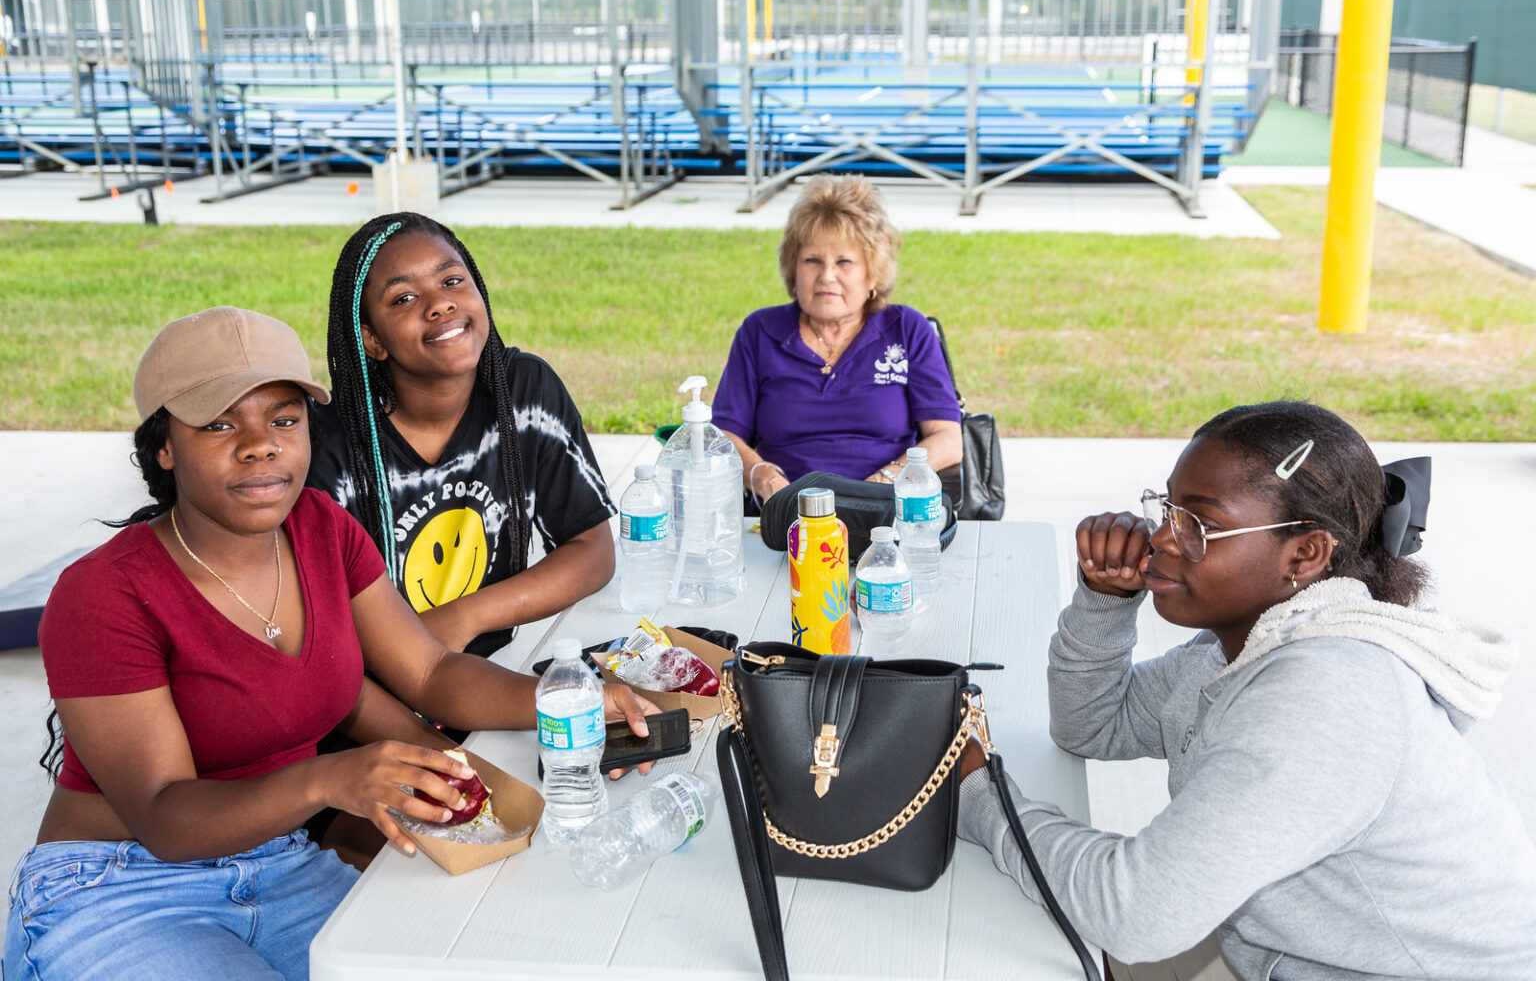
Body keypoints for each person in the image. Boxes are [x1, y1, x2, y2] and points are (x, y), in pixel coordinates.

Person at [3, 307, 655, 981]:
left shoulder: (322, 528)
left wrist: (571, 702)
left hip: (283, 865)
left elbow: (430, 672)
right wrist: (329, 779)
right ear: (163, 446)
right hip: (122, 886)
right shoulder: (104, 594)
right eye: (220, 424)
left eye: (283, 420)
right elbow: (165, 816)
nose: (260, 445)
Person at [957, 401, 1536, 980]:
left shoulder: (1325, 701)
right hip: (1279, 948)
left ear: (1305, 554)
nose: (1160, 539)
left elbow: (1134, 914)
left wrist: (979, 794)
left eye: (1200, 525)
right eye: (1169, 509)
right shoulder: (1240, 645)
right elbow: (1094, 727)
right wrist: (1106, 600)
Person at [309, 212, 616, 658]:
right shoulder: (329, 448)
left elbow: (593, 550)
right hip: (375, 681)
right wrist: (417, 650)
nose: (439, 304)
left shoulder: (525, 394)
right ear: (372, 340)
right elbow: (315, 629)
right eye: (404, 297)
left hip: (496, 661)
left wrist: (465, 617)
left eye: (452, 281)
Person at [713, 174, 962, 505]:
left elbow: (947, 439)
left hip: (885, 509)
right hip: (786, 512)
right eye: (812, 260)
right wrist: (767, 480)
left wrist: (880, 485)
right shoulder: (759, 332)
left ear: (872, 274)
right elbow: (723, 436)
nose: (826, 276)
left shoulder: (907, 329)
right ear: (793, 269)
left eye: (844, 262)